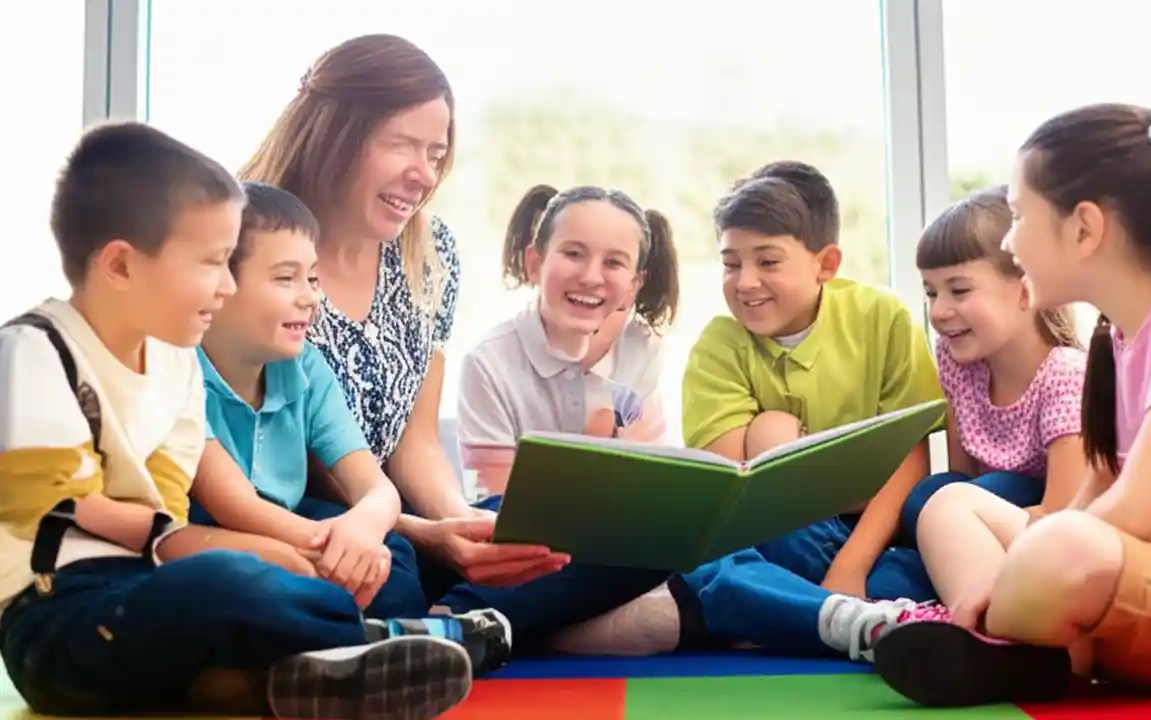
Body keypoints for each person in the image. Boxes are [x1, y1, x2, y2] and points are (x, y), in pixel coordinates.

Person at [0, 122, 472, 720]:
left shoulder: (174, 365)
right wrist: (261, 554)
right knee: (229, 581)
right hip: (60, 619)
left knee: (281, 577)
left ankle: (265, 681)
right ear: (121, 265)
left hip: (152, 587)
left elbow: (166, 518)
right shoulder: (34, 352)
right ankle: (386, 642)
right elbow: (61, 513)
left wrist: (285, 558)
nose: (225, 287)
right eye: (212, 264)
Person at [239, 33, 670, 647]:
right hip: (304, 517)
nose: (424, 174)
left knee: (629, 531)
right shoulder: (251, 245)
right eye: (401, 145)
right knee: (388, 573)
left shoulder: (430, 254)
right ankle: (458, 623)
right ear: (336, 133)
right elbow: (292, 461)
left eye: (436, 153)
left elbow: (414, 438)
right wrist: (423, 534)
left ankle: (452, 626)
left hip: (396, 512)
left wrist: (458, 520)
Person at [874, 103, 1151, 707]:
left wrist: (1016, 570)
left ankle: (1008, 642)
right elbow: (1097, 491)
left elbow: (1138, 510)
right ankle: (1026, 646)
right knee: (951, 503)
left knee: (1066, 547)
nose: (1009, 240)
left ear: (1085, 228)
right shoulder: (1116, 337)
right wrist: (1025, 560)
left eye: (1018, 216)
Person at [191, 181, 510, 674]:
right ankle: (379, 643)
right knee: (246, 580)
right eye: (286, 279)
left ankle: (377, 640)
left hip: (305, 524)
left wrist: (360, 531)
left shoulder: (306, 367)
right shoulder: (182, 371)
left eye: (313, 279)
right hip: (219, 533)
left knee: (393, 558)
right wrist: (331, 546)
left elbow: (375, 488)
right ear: (218, 286)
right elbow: (234, 505)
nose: (310, 298)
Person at [675, 161, 950, 661]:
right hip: (777, 534)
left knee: (924, 555)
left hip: (873, 539)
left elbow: (912, 466)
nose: (746, 282)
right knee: (719, 539)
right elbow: (738, 496)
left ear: (825, 264)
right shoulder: (717, 348)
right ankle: (843, 615)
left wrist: (850, 566)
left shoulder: (882, 318)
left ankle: (791, 611)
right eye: (731, 264)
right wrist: (852, 490)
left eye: (768, 261)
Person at [456, 184, 683, 655]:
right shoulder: (489, 361)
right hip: (529, 550)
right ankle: (462, 622)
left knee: (682, 543)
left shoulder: (642, 349)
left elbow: (648, 483)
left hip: (617, 546)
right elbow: (495, 510)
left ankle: (527, 629)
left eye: (614, 263)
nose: (591, 276)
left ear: (635, 284)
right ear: (535, 263)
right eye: (574, 254)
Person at [901, 184, 1087, 544]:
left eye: (959, 290)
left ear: (1025, 290)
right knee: (930, 495)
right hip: (975, 521)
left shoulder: (1066, 376)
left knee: (988, 489)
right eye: (931, 293)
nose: (938, 311)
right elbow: (960, 479)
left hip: (1047, 536)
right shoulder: (957, 361)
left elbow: (1064, 513)